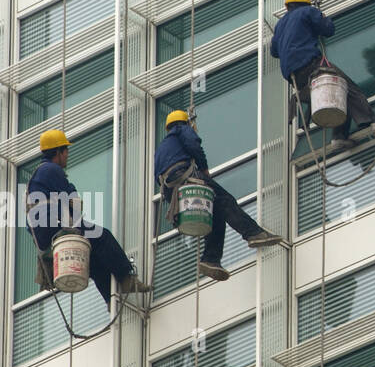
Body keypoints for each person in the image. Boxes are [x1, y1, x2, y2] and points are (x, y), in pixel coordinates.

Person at [24, 130, 150, 306]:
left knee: (96, 261)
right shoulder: (51, 170)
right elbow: (73, 201)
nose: (67, 154)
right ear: (58, 152)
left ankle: (111, 302)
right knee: (103, 236)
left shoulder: (37, 178)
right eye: (65, 150)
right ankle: (126, 277)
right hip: (57, 226)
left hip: (45, 237)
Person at [153, 110, 280, 282]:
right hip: (186, 176)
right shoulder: (181, 129)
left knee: (217, 214)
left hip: (171, 189)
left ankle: (210, 259)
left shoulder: (162, 148)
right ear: (184, 123)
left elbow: (157, 177)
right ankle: (253, 233)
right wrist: (204, 169)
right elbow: (193, 144)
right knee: (225, 201)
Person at [270, 0, 375, 155]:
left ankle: (339, 137)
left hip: (295, 78)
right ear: (305, 2)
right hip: (311, 65)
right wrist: (321, 17)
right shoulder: (307, 11)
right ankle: (372, 123)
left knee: (337, 94)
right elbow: (328, 29)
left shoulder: (280, 25)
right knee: (347, 87)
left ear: (287, 6)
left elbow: (274, 51)